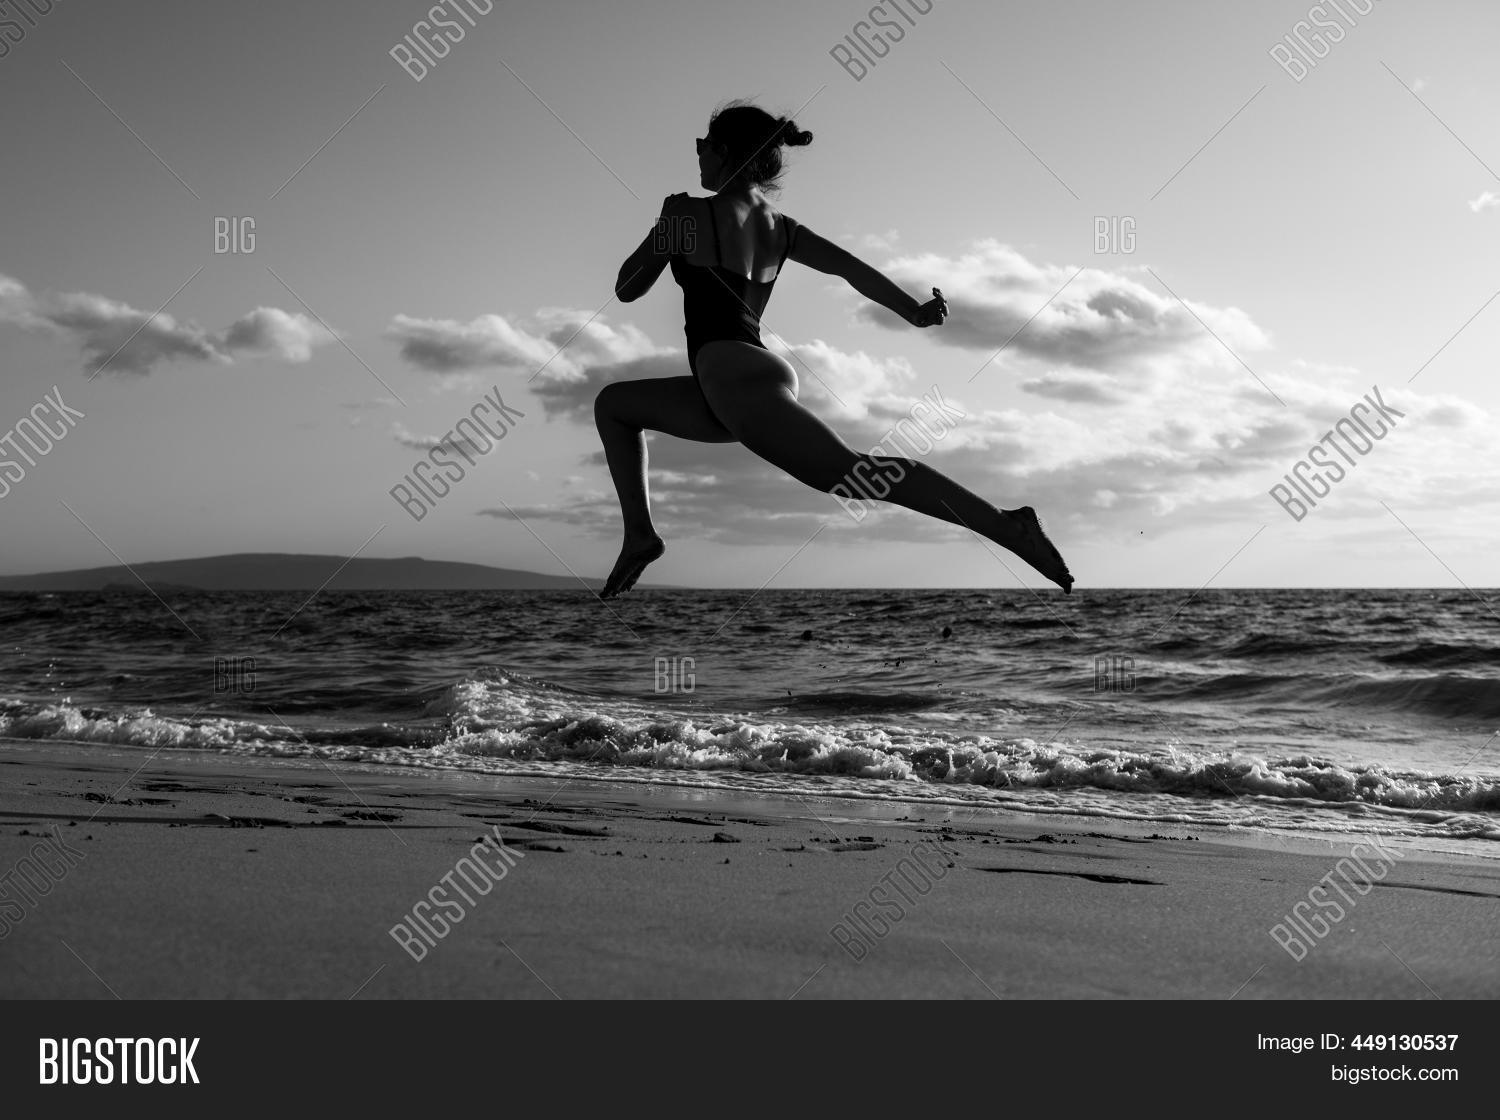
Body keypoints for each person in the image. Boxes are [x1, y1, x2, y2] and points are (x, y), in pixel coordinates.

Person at [598, 100, 1072, 598]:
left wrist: (664, 227)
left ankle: (1007, 525)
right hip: (738, 381)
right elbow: (850, 267)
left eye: (701, 146)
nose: (696, 155)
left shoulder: (691, 212)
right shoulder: (781, 228)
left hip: (733, 376)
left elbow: (628, 287)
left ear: (724, 151)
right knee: (614, 406)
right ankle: (639, 535)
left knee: (853, 475)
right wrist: (912, 311)